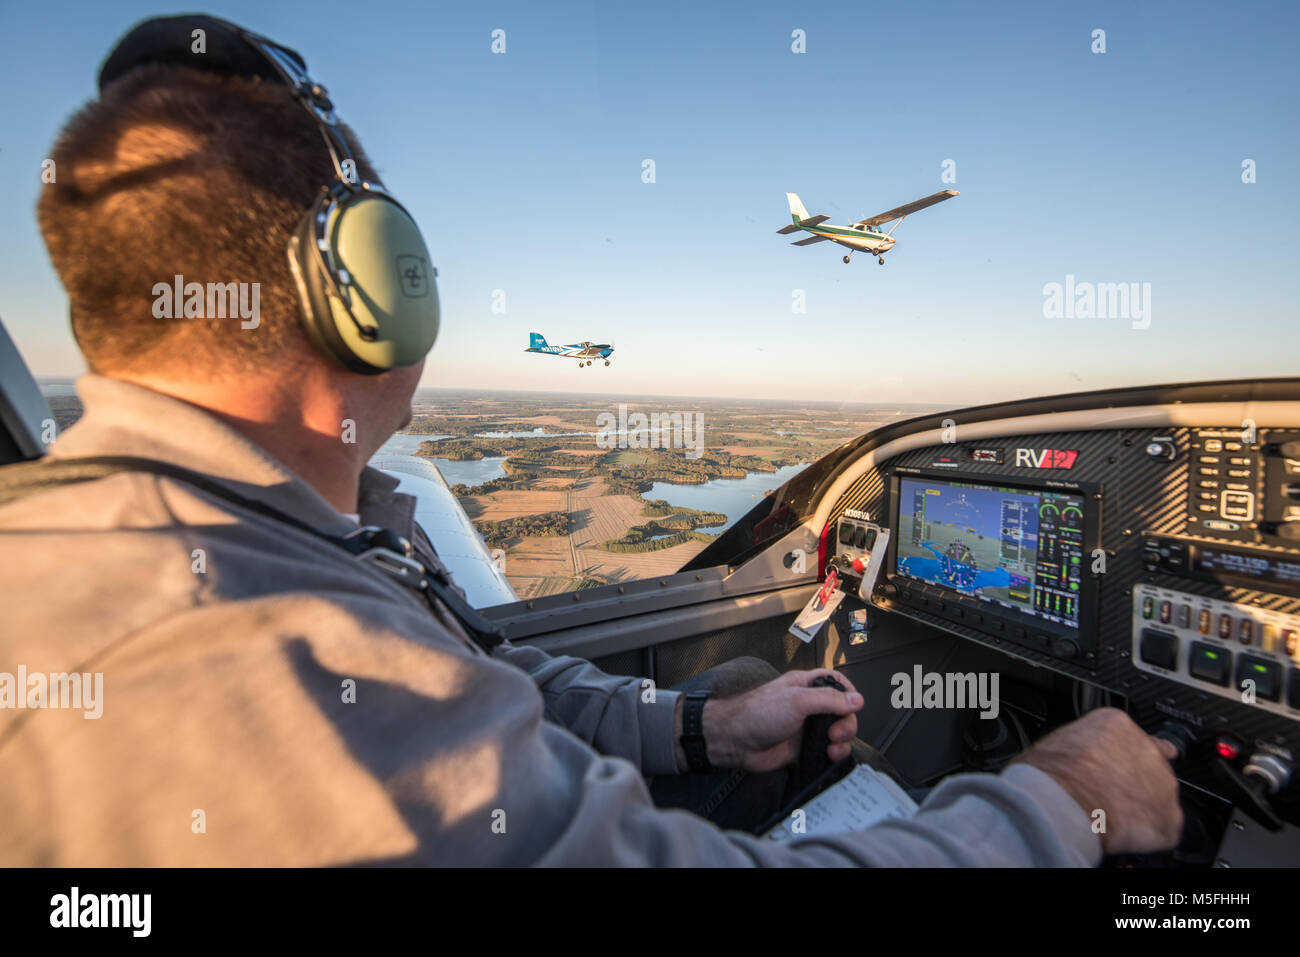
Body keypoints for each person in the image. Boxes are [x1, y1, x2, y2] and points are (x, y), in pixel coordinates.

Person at [0, 15, 1182, 866]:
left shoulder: (261, 537)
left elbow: (475, 678)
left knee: (739, 682)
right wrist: (1058, 798)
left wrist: (695, 723)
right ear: (373, 288)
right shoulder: (250, 647)